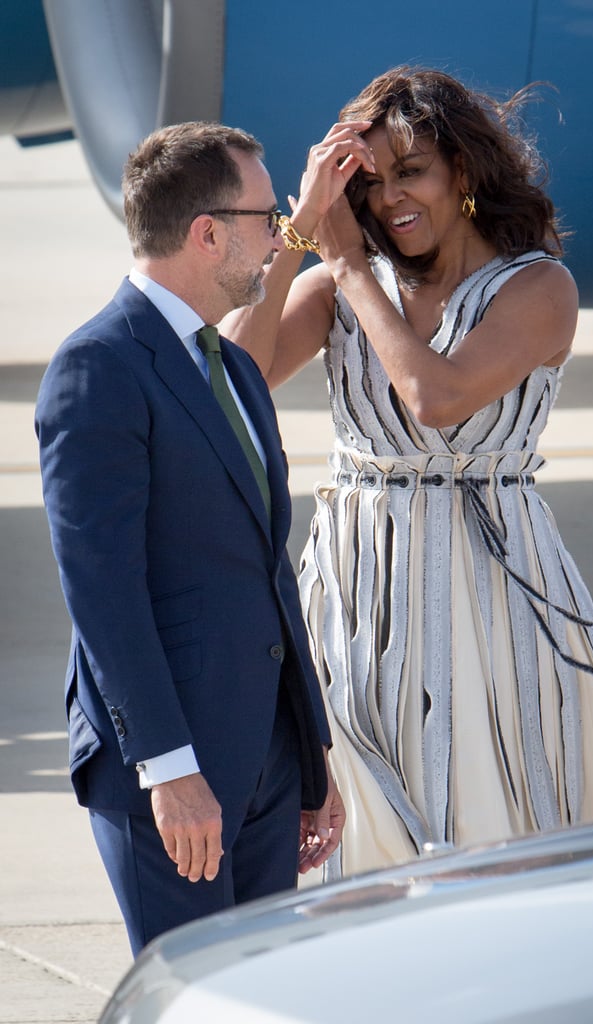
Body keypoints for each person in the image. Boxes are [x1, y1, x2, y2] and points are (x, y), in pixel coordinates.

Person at [224, 66, 593, 877]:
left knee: (502, 790)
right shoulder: (336, 281)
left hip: (491, 584)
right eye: (372, 182)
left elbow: (438, 398)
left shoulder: (538, 287)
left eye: (412, 171)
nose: (392, 198)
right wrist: (302, 229)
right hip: (356, 581)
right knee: (353, 799)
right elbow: (227, 380)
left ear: (461, 169)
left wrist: (351, 268)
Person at [35, 121, 344, 954]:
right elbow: (102, 589)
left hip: (269, 764)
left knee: (263, 1000)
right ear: (208, 233)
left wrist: (311, 754)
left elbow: (265, 568)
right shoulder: (98, 367)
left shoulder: (235, 365)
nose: (280, 233)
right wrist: (168, 769)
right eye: (265, 216)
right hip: (176, 776)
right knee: (196, 1002)